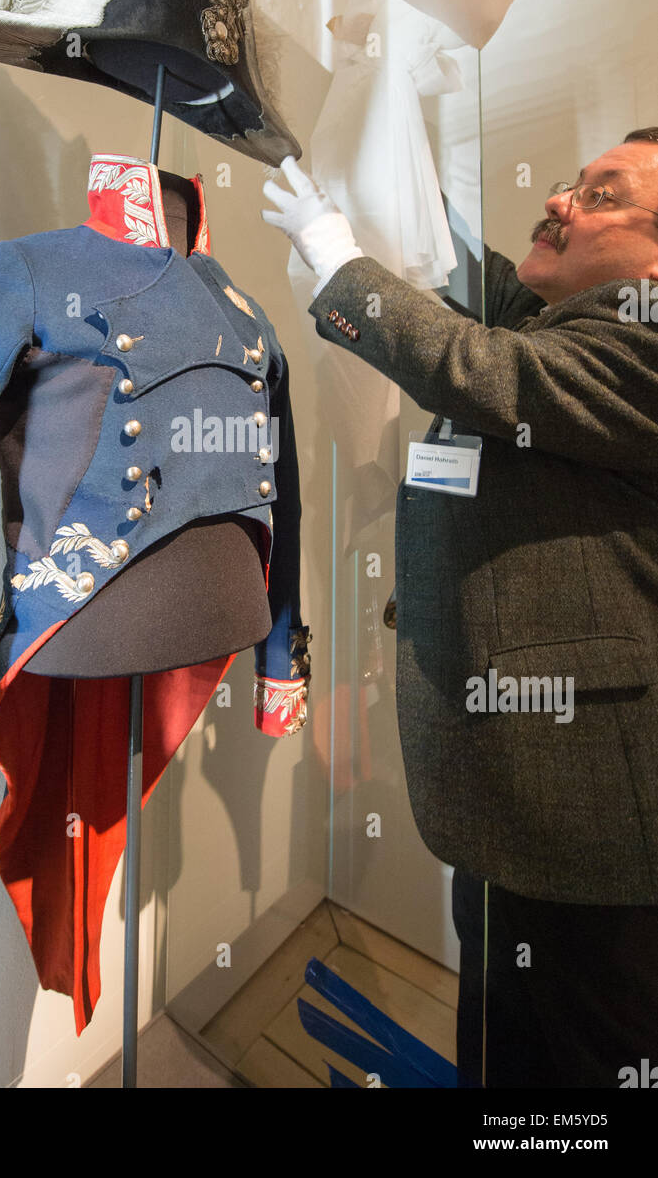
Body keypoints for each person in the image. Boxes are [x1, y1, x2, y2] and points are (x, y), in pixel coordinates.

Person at [262, 130, 658, 1089]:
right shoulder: (572, 323)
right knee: (506, 1037)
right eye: (571, 185)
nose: (562, 201)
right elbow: (485, 312)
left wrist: (339, 266)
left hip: (580, 802)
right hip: (520, 779)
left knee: (582, 1048)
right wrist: (397, 164)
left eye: (600, 197)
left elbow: (489, 371)